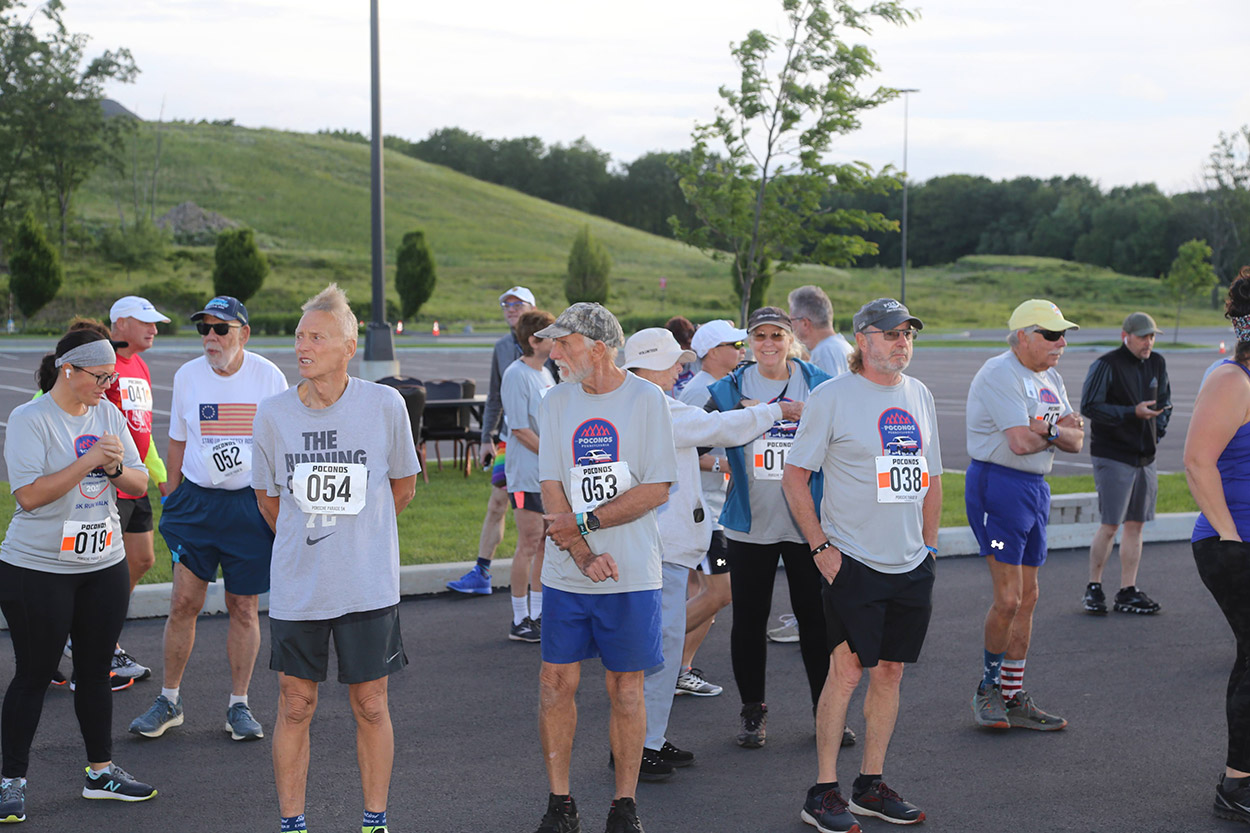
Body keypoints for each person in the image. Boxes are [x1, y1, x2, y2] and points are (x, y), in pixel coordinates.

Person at [252, 284, 420, 833]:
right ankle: (292, 823)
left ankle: (374, 820)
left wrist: (359, 537)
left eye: (316, 336)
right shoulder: (273, 414)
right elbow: (269, 500)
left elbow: (403, 487)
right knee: (295, 705)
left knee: (371, 704)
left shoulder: (384, 405)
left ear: (349, 346)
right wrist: (314, 540)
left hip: (367, 586)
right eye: (299, 335)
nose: (303, 345)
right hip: (301, 586)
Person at [783, 298, 940, 830]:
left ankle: (870, 785)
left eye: (909, 335)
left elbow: (932, 477)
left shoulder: (919, 395)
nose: (903, 343)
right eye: (893, 334)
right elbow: (794, 477)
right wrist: (821, 549)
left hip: (910, 563)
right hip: (854, 562)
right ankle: (822, 791)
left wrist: (929, 546)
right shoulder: (832, 398)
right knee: (846, 671)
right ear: (864, 339)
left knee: (890, 671)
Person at [625, 327, 801, 781]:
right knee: (658, 647)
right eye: (674, 361)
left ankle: (649, 738)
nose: (681, 368)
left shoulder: (647, 402)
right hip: (661, 545)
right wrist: (774, 410)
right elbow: (714, 428)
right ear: (653, 364)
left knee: (661, 646)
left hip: (667, 544)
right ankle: (636, 745)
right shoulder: (652, 405)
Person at [529, 303, 676, 833]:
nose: (555, 352)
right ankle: (560, 802)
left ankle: (624, 805)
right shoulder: (555, 401)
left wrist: (584, 524)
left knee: (627, 688)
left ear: (597, 347)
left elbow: (658, 487)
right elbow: (550, 484)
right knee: (554, 684)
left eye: (564, 344)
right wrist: (581, 551)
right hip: (569, 571)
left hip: (630, 572)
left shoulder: (647, 400)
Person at [0, 331, 158, 825]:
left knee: (94, 674)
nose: (108, 386)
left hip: (102, 565)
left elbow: (138, 481)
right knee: (33, 673)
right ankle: (11, 781)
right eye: (100, 376)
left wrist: (112, 468)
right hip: (37, 568)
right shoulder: (31, 420)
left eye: (112, 377)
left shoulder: (108, 414)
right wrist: (88, 460)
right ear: (69, 369)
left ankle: (100, 772)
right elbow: (27, 496)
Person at [130, 296, 288, 742]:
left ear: (244, 333)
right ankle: (169, 699)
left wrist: (274, 501)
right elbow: (177, 439)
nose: (211, 338)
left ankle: (238, 705)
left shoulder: (267, 376)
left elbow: (279, 444)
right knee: (184, 601)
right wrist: (175, 495)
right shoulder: (188, 376)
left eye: (221, 329)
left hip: (247, 507)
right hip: (197, 504)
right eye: (204, 329)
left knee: (244, 607)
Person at [706, 307, 835, 748]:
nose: (768, 344)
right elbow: (702, 433)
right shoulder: (728, 389)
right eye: (759, 336)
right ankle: (752, 711)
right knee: (749, 620)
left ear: (791, 338)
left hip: (806, 525)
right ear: (749, 342)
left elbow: (841, 433)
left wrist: (805, 412)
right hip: (751, 525)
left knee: (815, 621)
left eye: (776, 335)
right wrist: (752, 412)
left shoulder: (818, 382)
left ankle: (826, 710)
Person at [966, 299, 1084, 732]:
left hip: (1035, 488)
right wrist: (1055, 432)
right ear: (1023, 336)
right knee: (1009, 598)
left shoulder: (1050, 376)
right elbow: (1017, 442)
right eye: (1051, 335)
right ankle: (988, 689)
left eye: (1063, 334)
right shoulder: (1000, 374)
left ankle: (1014, 696)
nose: (1061, 343)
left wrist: (1047, 430)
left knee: (1030, 597)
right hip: (998, 486)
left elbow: (1075, 440)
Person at [1186, 269, 1250, 824]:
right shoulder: (1233, 379)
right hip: (1232, 542)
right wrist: (1230, 536)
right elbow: (1197, 460)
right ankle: (1236, 784)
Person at [1079, 311, 1171, 616]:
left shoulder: (1157, 362)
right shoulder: (1106, 365)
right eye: (1143, 336)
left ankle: (1127, 590)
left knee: (1136, 525)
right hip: (1113, 455)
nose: (1149, 342)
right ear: (1125, 336)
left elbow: (1165, 403)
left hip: (1145, 457)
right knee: (1110, 524)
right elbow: (1090, 406)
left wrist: (1156, 431)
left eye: (1152, 336)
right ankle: (1094, 587)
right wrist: (1132, 413)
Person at [447, 285, 537, 595]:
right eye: (506, 304)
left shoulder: (548, 347)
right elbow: (495, 396)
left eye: (517, 304)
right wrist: (486, 437)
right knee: (497, 503)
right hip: (507, 441)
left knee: (542, 512)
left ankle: (545, 585)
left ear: (532, 309)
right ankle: (482, 571)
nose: (510, 309)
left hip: (539, 441)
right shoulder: (501, 347)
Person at [675, 319, 748, 695]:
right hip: (705, 510)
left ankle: (678, 667)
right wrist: (727, 465)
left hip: (717, 507)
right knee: (720, 594)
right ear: (712, 351)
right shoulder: (698, 391)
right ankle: (656, 655)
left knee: (706, 595)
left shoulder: (723, 387)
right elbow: (681, 451)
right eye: (734, 344)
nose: (742, 350)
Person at [103, 295, 173, 682]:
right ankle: (102, 644)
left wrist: (161, 478)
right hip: (107, 485)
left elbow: (142, 431)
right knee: (105, 571)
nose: (154, 329)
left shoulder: (141, 366)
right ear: (120, 324)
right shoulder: (103, 361)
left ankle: (94, 629)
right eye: (145, 322)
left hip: (137, 483)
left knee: (143, 559)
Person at [499, 309, 557, 642]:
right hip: (526, 473)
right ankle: (519, 617)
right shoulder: (516, 375)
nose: (555, 341)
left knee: (547, 543)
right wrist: (552, 454)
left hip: (546, 474)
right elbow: (519, 429)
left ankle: (537, 613)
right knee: (529, 542)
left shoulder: (546, 373)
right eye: (550, 335)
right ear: (535, 340)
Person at [789, 285, 853, 378]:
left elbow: (829, 391)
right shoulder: (843, 346)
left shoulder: (824, 354)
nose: (790, 325)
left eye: (791, 320)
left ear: (805, 323)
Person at [665, 315, 698, 395]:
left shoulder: (697, 356)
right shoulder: (662, 368)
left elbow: (729, 323)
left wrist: (697, 328)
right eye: (681, 348)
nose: (684, 352)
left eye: (688, 347)